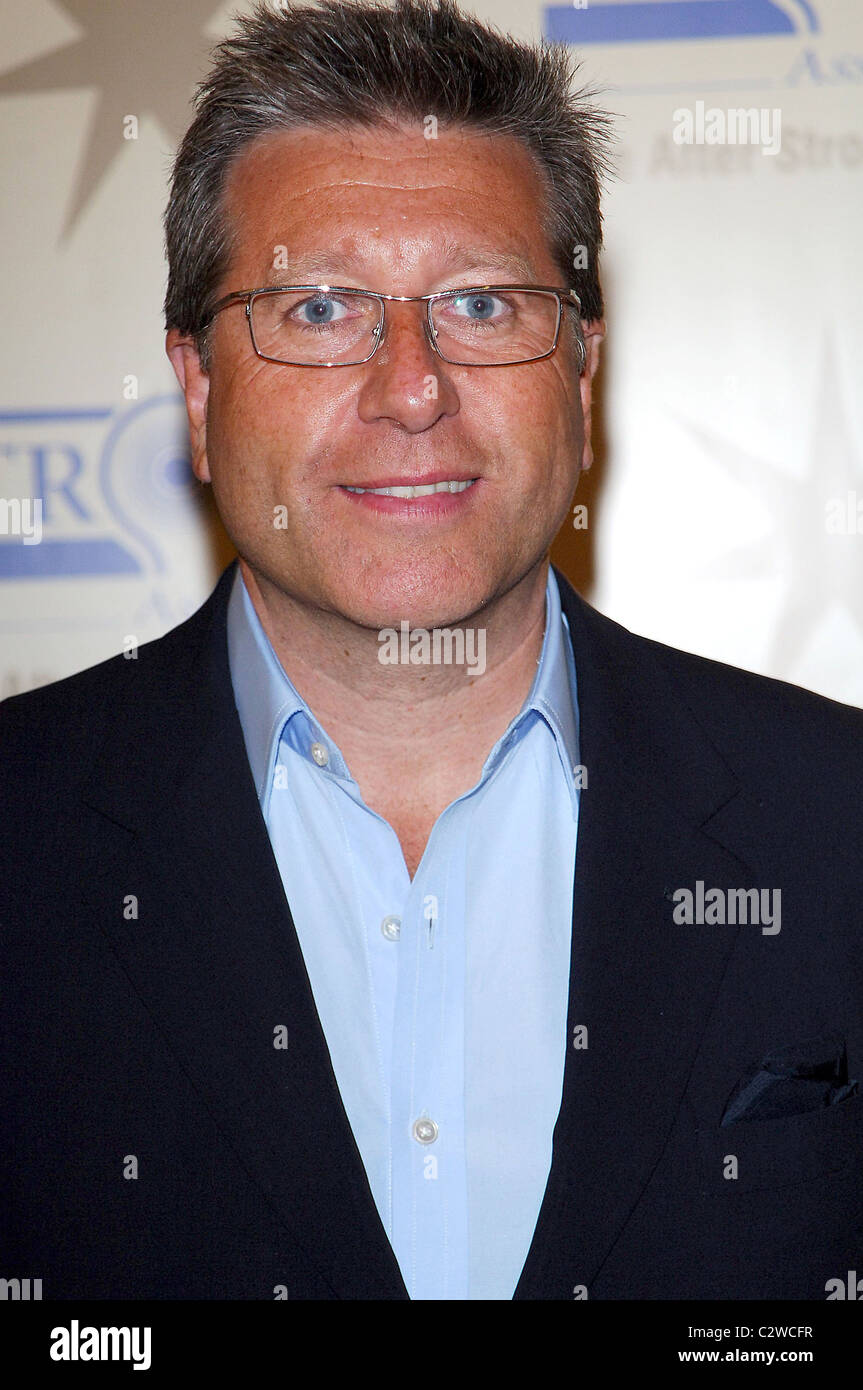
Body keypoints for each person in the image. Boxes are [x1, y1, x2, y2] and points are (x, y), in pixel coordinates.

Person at [2, 0, 861, 1302]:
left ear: (578, 374)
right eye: (321, 304)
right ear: (194, 385)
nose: (412, 385)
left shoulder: (834, 821)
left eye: (479, 301)